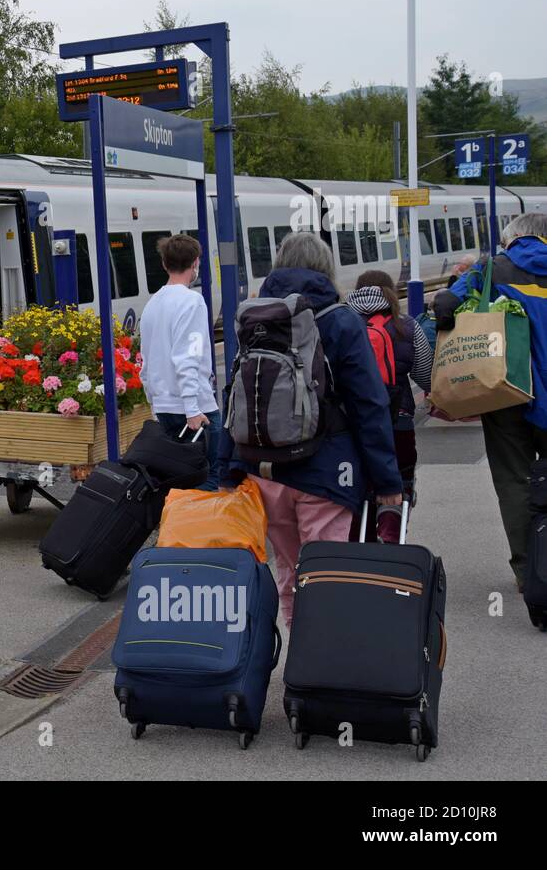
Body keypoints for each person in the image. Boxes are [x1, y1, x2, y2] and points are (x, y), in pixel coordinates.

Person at [220, 233, 403, 626]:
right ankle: (323, 671)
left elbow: (233, 393)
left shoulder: (253, 316)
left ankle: (299, 669)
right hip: (325, 473)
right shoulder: (340, 320)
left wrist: (224, 468)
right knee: (326, 576)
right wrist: (388, 482)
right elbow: (369, 406)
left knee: (290, 571)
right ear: (326, 269)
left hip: (265, 471)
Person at [434, 213, 547, 613]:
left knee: (514, 479)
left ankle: (528, 569)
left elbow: (445, 305)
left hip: (507, 392)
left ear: (512, 239)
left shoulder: (492, 268)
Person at [347, 270, 433, 541]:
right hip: (399, 418)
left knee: (357, 486)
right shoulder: (406, 325)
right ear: (391, 292)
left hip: (351, 422)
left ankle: (359, 548)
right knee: (399, 481)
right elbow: (425, 373)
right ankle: (391, 540)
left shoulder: (342, 324)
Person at [139, 233, 221, 489]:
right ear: (196, 263)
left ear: (164, 264)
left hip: (164, 408)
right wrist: (193, 409)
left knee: (177, 482)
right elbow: (189, 356)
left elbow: (146, 360)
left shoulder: (153, 304)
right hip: (194, 408)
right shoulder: (192, 301)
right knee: (208, 479)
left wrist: (154, 402)